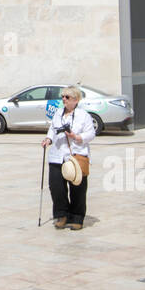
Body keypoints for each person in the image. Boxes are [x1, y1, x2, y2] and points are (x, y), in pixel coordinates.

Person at [42, 87, 95, 230]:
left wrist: (77, 137)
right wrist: (48, 139)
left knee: (77, 188)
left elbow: (91, 133)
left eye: (67, 97)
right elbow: (52, 129)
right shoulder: (58, 113)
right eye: (63, 97)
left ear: (76, 100)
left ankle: (77, 217)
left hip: (76, 155)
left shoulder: (83, 115)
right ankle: (62, 215)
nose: (63, 99)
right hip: (57, 156)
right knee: (56, 187)